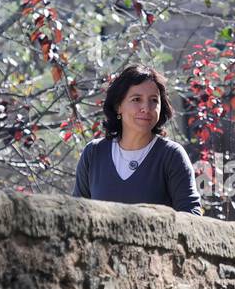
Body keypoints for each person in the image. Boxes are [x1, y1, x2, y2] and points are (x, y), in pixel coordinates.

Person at [73, 64, 202, 214]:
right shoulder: (93, 154)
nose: (146, 108)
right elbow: (77, 214)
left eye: (154, 100)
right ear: (118, 106)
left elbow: (192, 217)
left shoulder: (171, 155)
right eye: (136, 99)